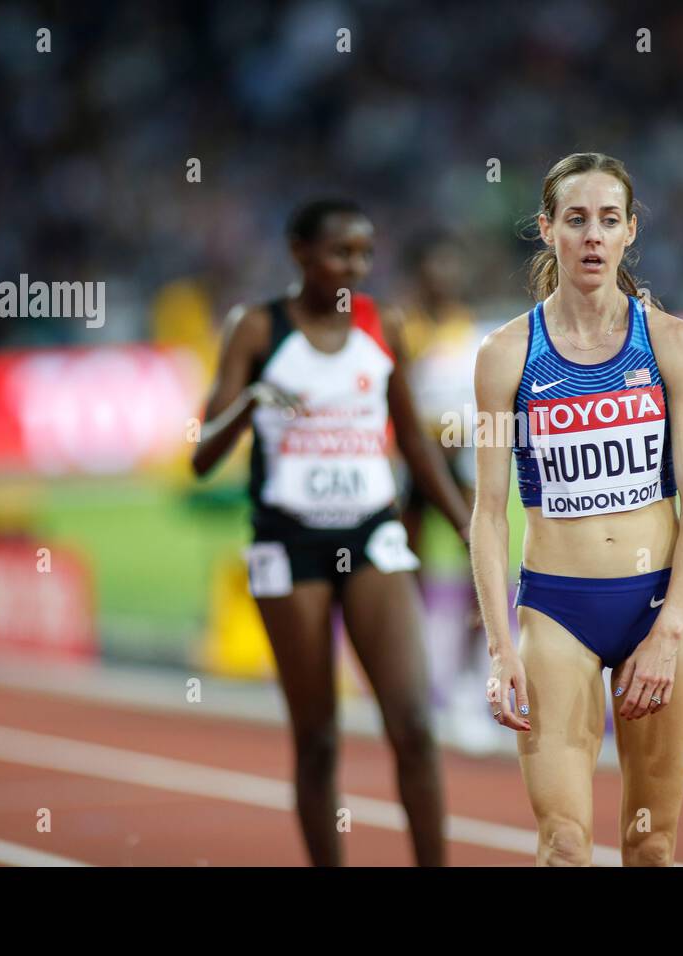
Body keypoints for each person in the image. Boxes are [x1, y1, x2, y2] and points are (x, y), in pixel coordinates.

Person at [191, 198, 472, 866]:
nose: (355, 267)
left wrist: (467, 524)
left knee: (412, 725)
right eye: (339, 253)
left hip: (372, 534)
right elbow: (202, 453)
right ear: (299, 253)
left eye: (365, 253)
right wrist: (253, 400)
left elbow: (412, 441)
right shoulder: (258, 329)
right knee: (318, 739)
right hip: (289, 545)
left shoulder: (383, 326)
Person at [469, 152, 683, 866]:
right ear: (546, 230)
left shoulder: (673, 343)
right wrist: (498, 645)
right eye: (576, 220)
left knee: (650, 846)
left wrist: (669, 630)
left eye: (609, 220)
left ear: (631, 232)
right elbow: (487, 514)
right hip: (556, 612)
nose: (592, 237)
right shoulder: (505, 355)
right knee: (565, 845)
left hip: (657, 607)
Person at [388, 233, 491, 752]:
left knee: (481, 560)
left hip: (459, 457)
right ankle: (418, 681)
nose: (444, 279)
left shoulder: (465, 324)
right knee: (410, 571)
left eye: (451, 270)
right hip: (414, 461)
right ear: (419, 275)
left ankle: (470, 686)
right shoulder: (403, 325)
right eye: (435, 270)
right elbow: (395, 395)